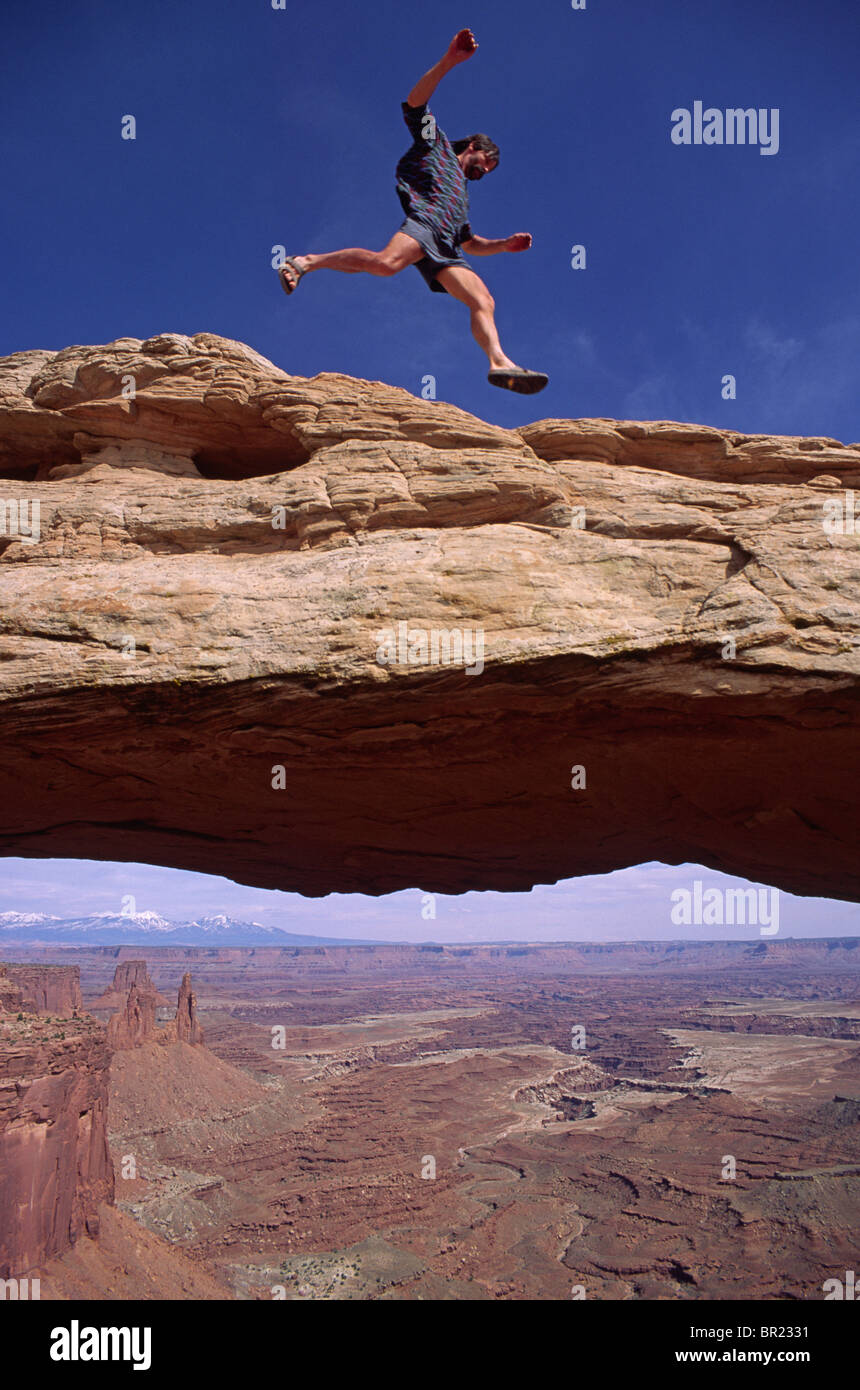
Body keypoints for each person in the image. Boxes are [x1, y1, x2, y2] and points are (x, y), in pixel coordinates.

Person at [278, 28, 548, 394]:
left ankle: (499, 362)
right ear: (471, 146)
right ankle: (307, 261)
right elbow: (414, 104)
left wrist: (504, 244)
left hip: (448, 248)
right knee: (385, 265)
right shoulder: (434, 143)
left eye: (487, 173)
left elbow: (469, 243)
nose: (482, 172)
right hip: (423, 226)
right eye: (483, 163)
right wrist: (449, 61)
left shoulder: (462, 195)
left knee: (483, 299)